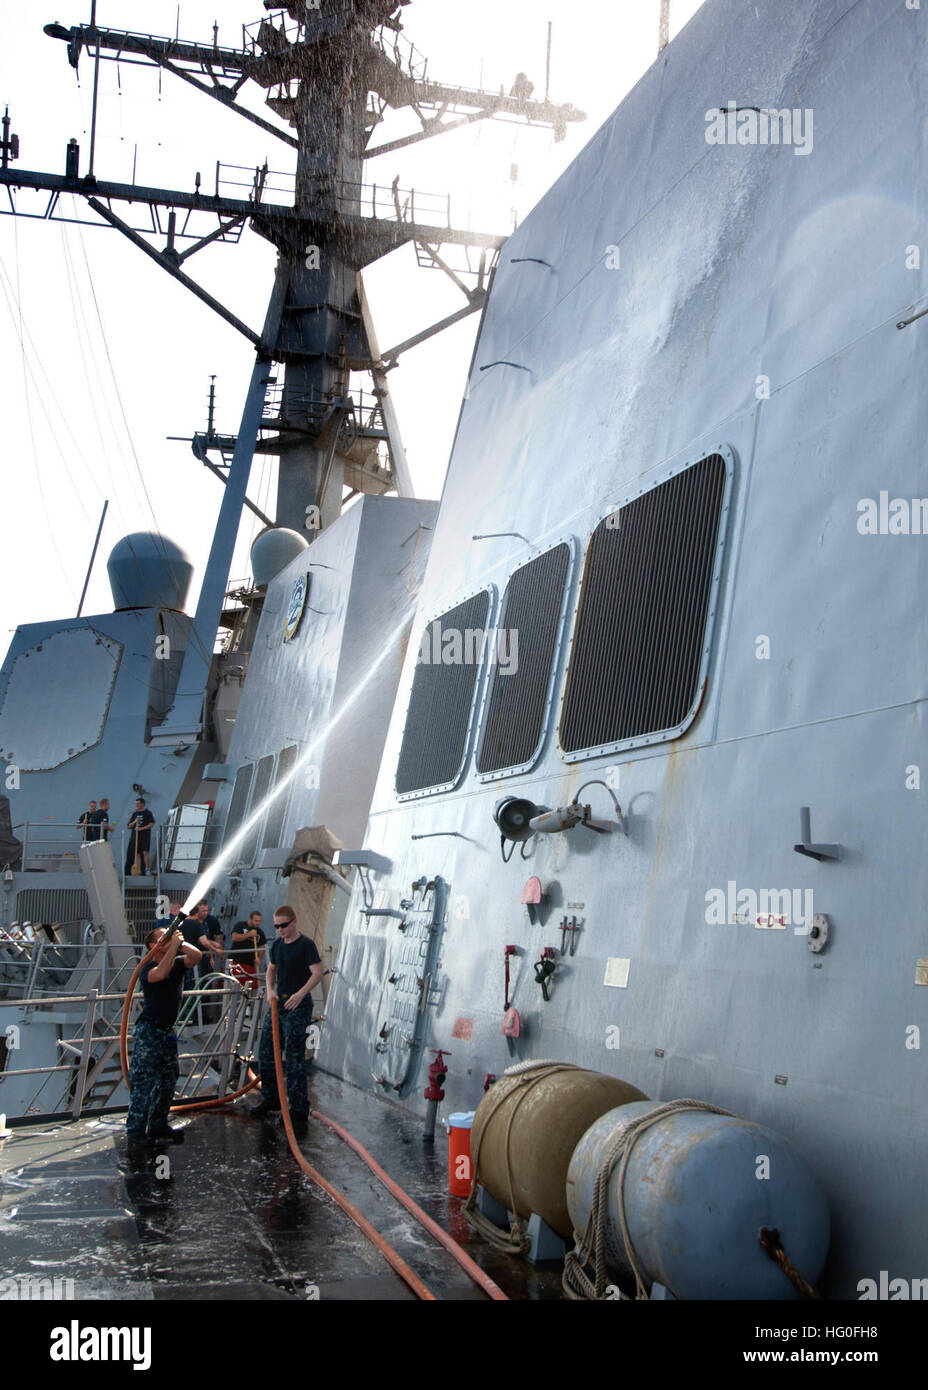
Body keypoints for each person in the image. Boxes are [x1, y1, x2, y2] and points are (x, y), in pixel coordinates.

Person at [125, 926, 201, 1157]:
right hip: (150, 1032)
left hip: (168, 1032)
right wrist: (172, 946)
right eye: (163, 937)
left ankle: (158, 1125)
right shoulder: (146, 968)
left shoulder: (176, 963)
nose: (169, 938)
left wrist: (180, 942)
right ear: (153, 946)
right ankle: (136, 1133)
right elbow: (161, 973)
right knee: (143, 1083)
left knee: (168, 1079)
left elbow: (196, 956)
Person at [254, 906, 323, 1135]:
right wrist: (270, 990)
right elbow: (271, 969)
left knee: (293, 1057)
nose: (280, 930)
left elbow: (316, 972)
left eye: (283, 925)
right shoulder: (277, 945)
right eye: (276, 926)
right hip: (279, 1004)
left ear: (293, 923)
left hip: (298, 1005)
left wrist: (300, 994)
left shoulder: (306, 945)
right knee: (266, 1052)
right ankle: (271, 1099)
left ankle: (298, 1109)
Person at [229, 911, 265, 992]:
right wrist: (249, 934)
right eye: (256, 921)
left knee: (249, 987)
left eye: (259, 921)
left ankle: (248, 1003)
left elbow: (262, 946)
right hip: (236, 962)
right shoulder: (240, 925)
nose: (258, 923)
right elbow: (234, 937)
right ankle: (231, 1003)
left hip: (249, 964)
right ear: (250, 919)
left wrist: (259, 958)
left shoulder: (259, 932)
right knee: (232, 986)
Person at [126, 798, 155, 875]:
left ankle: (147, 869)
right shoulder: (135, 814)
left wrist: (141, 828)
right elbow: (129, 826)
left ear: (142, 804)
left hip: (145, 836)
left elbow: (151, 824)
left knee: (145, 852)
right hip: (136, 836)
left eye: (138, 803)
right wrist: (134, 822)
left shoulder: (148, 813)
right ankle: (138, 870)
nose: (136, 805)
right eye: (136, 803)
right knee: (137, 853)